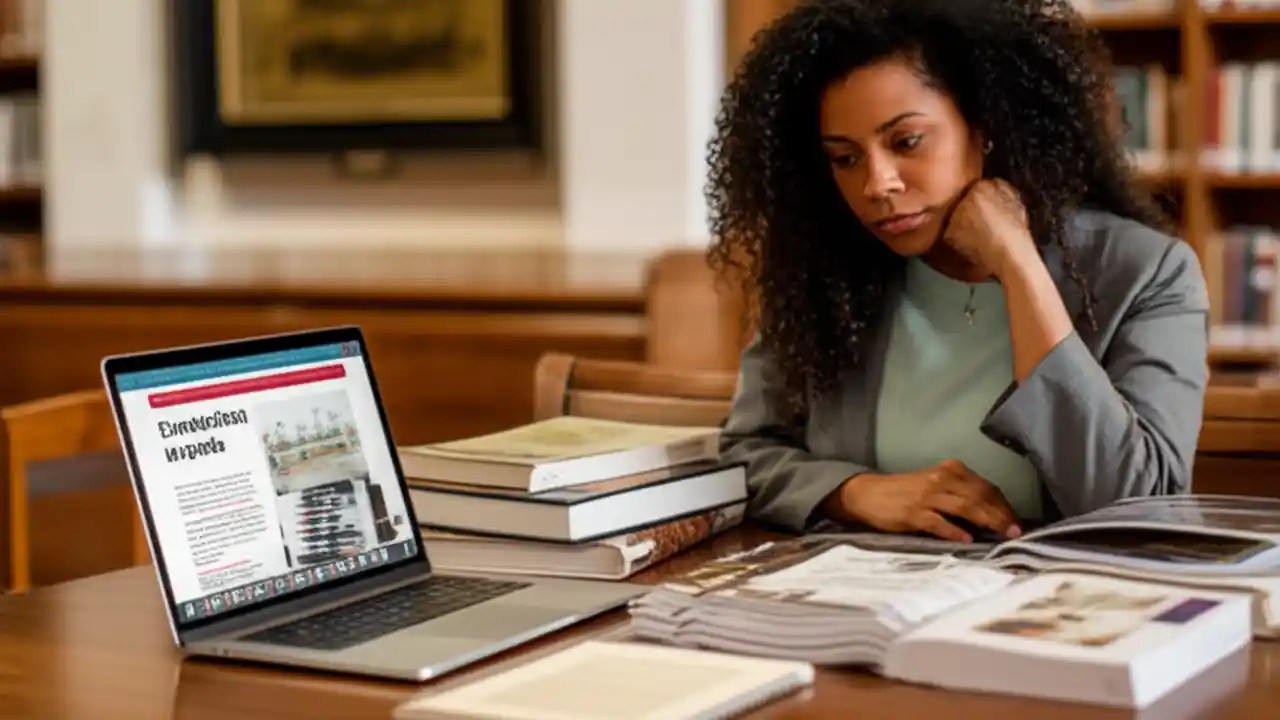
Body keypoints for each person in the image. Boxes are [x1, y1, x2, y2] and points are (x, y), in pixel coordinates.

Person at [707, 0, 1209, 541]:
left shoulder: (1147, 272)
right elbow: (745, 455)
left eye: (906, 142)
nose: (878, 184)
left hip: (1054, 607)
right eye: (845, 158)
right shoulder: (824, 272)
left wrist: (1017, 264)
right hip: (863, 601)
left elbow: (1137, 505)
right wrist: (856, 491)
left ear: (984, 125)